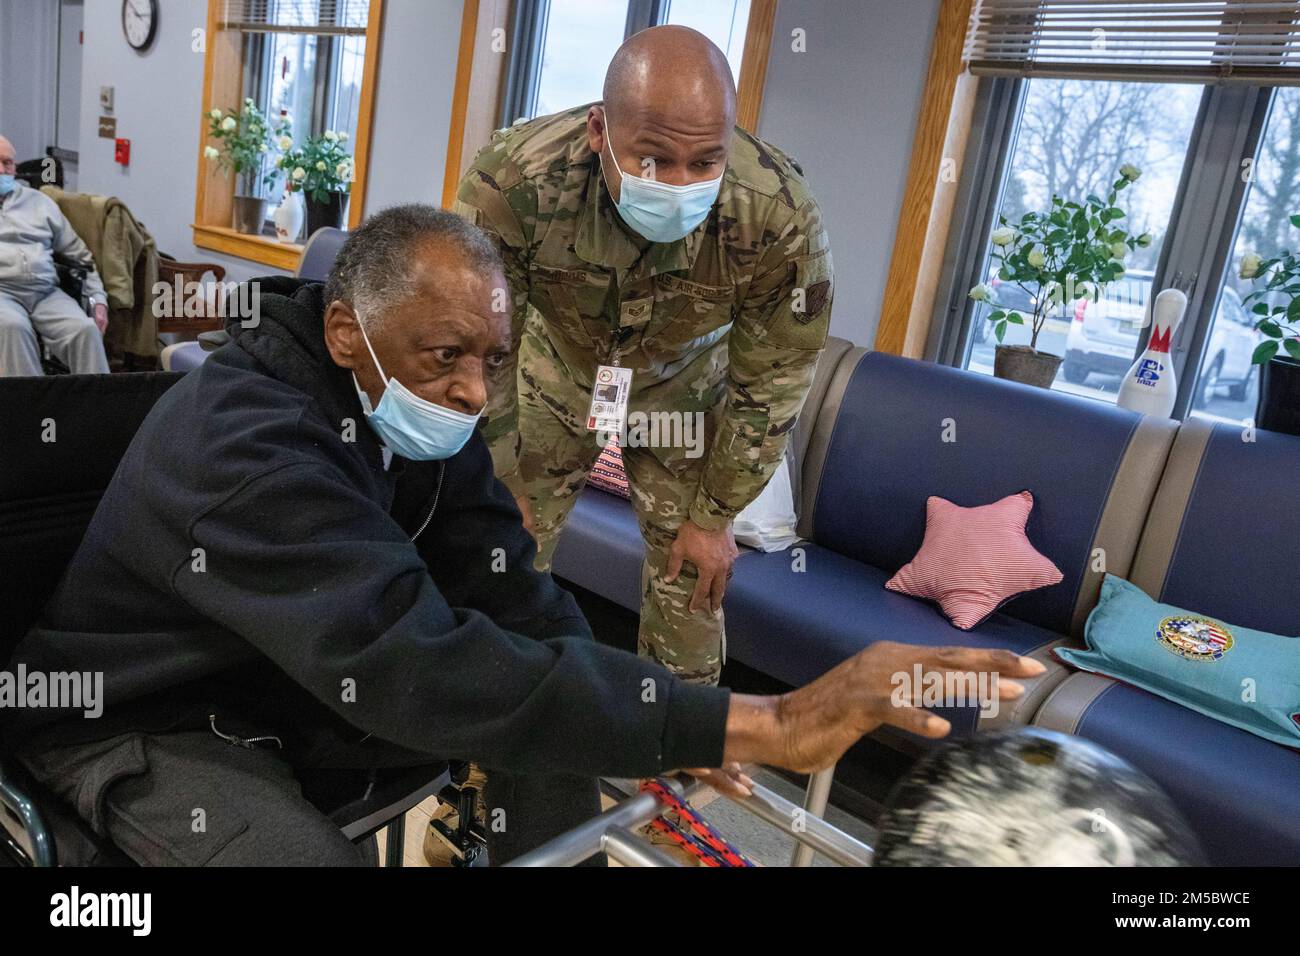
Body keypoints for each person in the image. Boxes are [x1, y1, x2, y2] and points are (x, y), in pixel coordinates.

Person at [4, 205, 1044, 866]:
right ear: (340, 331)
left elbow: (507, 588)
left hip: (292, 679)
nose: (471, 388)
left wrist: (653, 717)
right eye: (447, 354)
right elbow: (419, 661)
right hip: (149, 717)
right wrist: (756, 723)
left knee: (552, 721)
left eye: (493, 359)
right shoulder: (246, 448)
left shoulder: (412, 397)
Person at [455, 26, 833, 688]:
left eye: (706, 162)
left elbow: (774, 379)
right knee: (497, 555)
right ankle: (479, 729)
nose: (680, 182)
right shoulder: (517, 180)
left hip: (679, 395)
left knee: (694, 581)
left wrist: (716, 515)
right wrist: (501, 473)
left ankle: (675, 765)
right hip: (557, 378)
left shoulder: (775, 214)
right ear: (600, 129)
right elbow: (480, 340)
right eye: (655, 160)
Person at [0, 134, 110, 376]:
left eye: (7, 163)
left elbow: (80, 256)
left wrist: (98, 298)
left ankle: (98, 406)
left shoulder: (39, 202)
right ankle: (29, 408)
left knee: (85, 330)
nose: (2, 170)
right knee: (13, 327)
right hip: (3, 294)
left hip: (45, 291)